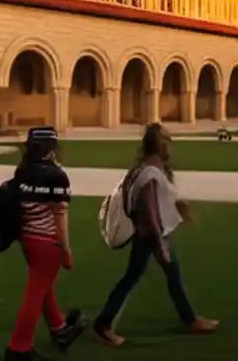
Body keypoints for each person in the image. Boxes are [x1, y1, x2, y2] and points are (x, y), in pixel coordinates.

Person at [93, 122, 220, 346]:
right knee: (138, 277)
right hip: (150, 236)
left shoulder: (147, 169)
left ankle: (189, 318)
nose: (170, 147)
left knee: (163, 276)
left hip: (151, 234)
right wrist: (160, 245)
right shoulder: (150, 173)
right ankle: (103, 324)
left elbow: (155, 203)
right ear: (159, 145)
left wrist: (177, 206)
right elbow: (149, 212)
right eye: (166, 142)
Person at [5, 126, 85, 361]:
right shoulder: (55, 175)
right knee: (35, 294)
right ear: (51, 148)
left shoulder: (23, 170)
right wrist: (65, 248)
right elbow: (59, 214)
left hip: (27, 239)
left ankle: (59, 329)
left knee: (43, 287)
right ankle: (18, 348)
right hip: (46, 240)